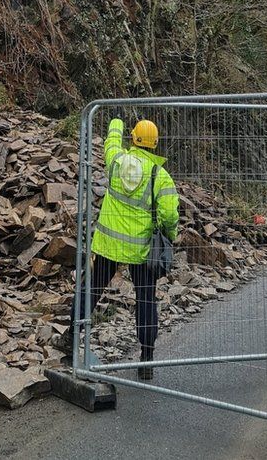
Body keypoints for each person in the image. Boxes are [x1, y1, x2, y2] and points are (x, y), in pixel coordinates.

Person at [66, 117, 179, 380]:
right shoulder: (160, 176)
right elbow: (169, 215)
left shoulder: (116, 161)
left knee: (91, 288)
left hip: (109, 245)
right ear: (155, 144)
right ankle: (147, 359)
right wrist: (169, 236)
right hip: (142, 251)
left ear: (133, 138)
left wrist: (115, 121)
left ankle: (71, 336)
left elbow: (110, 143)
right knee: (146, 299)